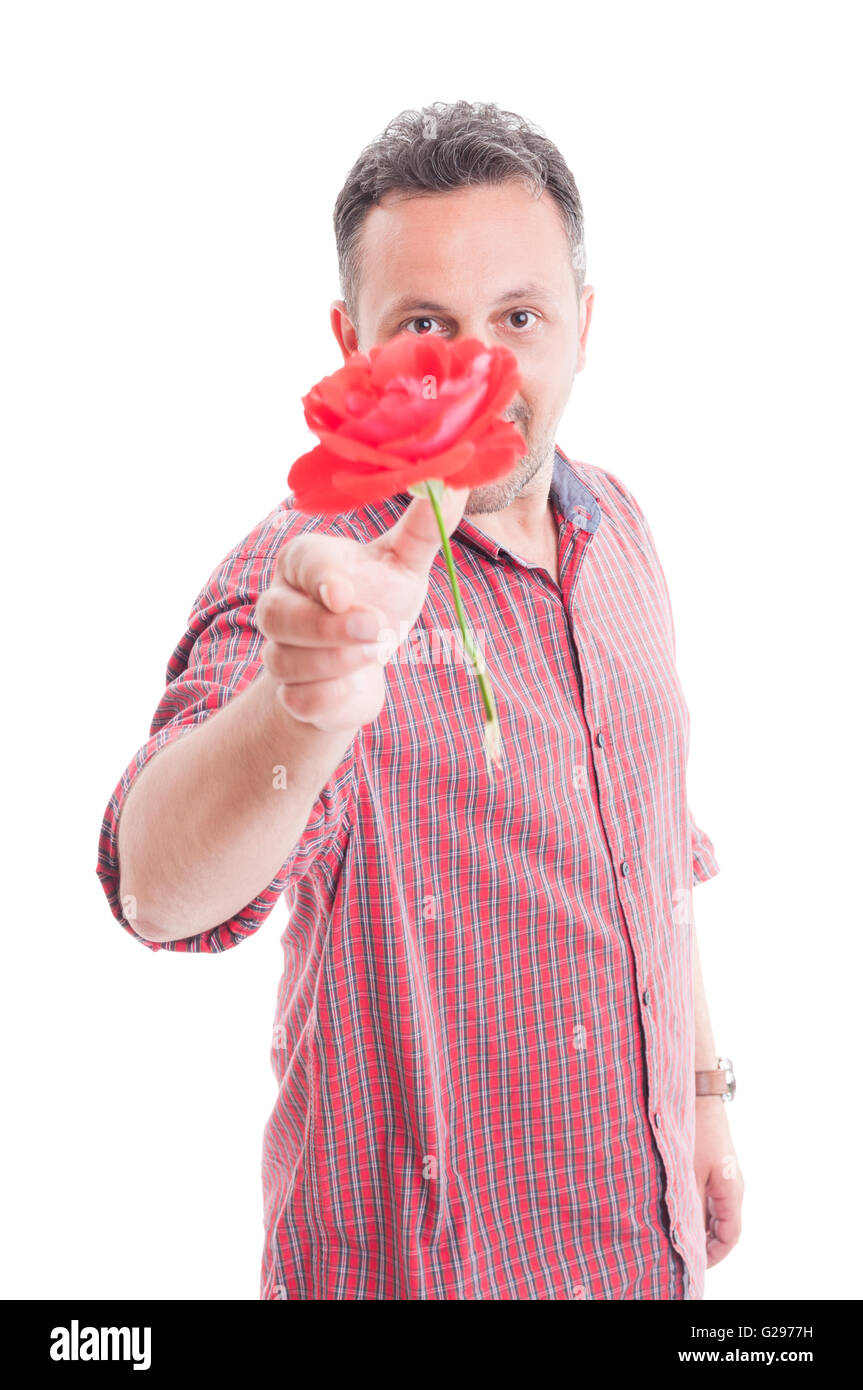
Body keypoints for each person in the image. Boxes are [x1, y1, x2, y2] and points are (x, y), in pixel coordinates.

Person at [97, 99, 743, 1300]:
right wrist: (301, 711)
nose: (479, 368)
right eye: (425, 325)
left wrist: (704, 1098)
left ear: (583, 327)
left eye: (518, 316)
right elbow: (153, 882)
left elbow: (655, 850)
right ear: (352, 343)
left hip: (644, 1261)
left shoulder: (620, 527)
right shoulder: (309, 579)